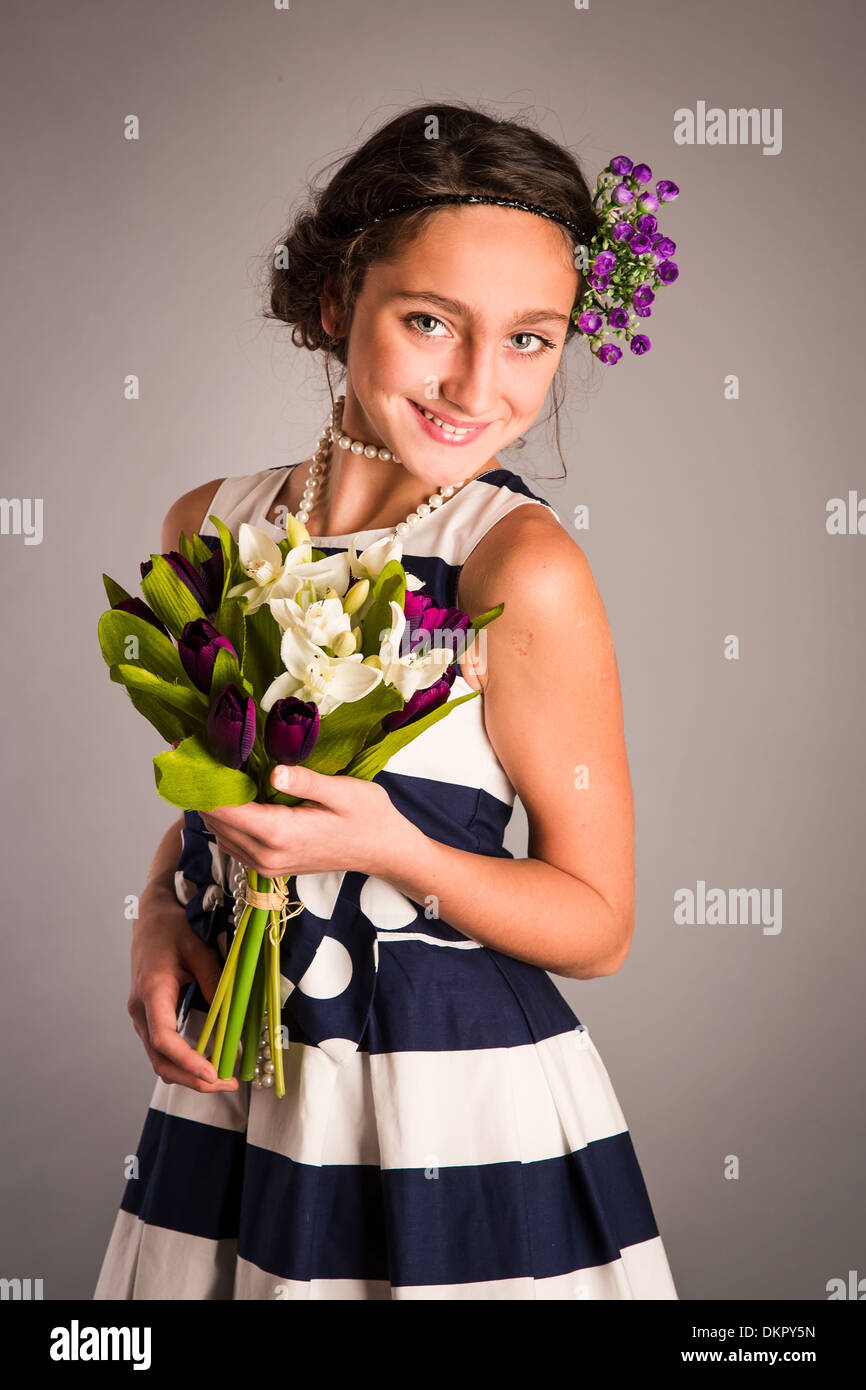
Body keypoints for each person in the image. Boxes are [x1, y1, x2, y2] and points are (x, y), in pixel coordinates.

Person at [95, 101, 679, 1300]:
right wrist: (159, 912)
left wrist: (396, 848)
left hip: (447, 1110)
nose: (477, 383)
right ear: (332, 303)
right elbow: (230, 802)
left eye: (530, 339)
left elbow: (599, 920)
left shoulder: (514, 568)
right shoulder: (210, 526)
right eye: (429, 322)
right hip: (241, 1090)